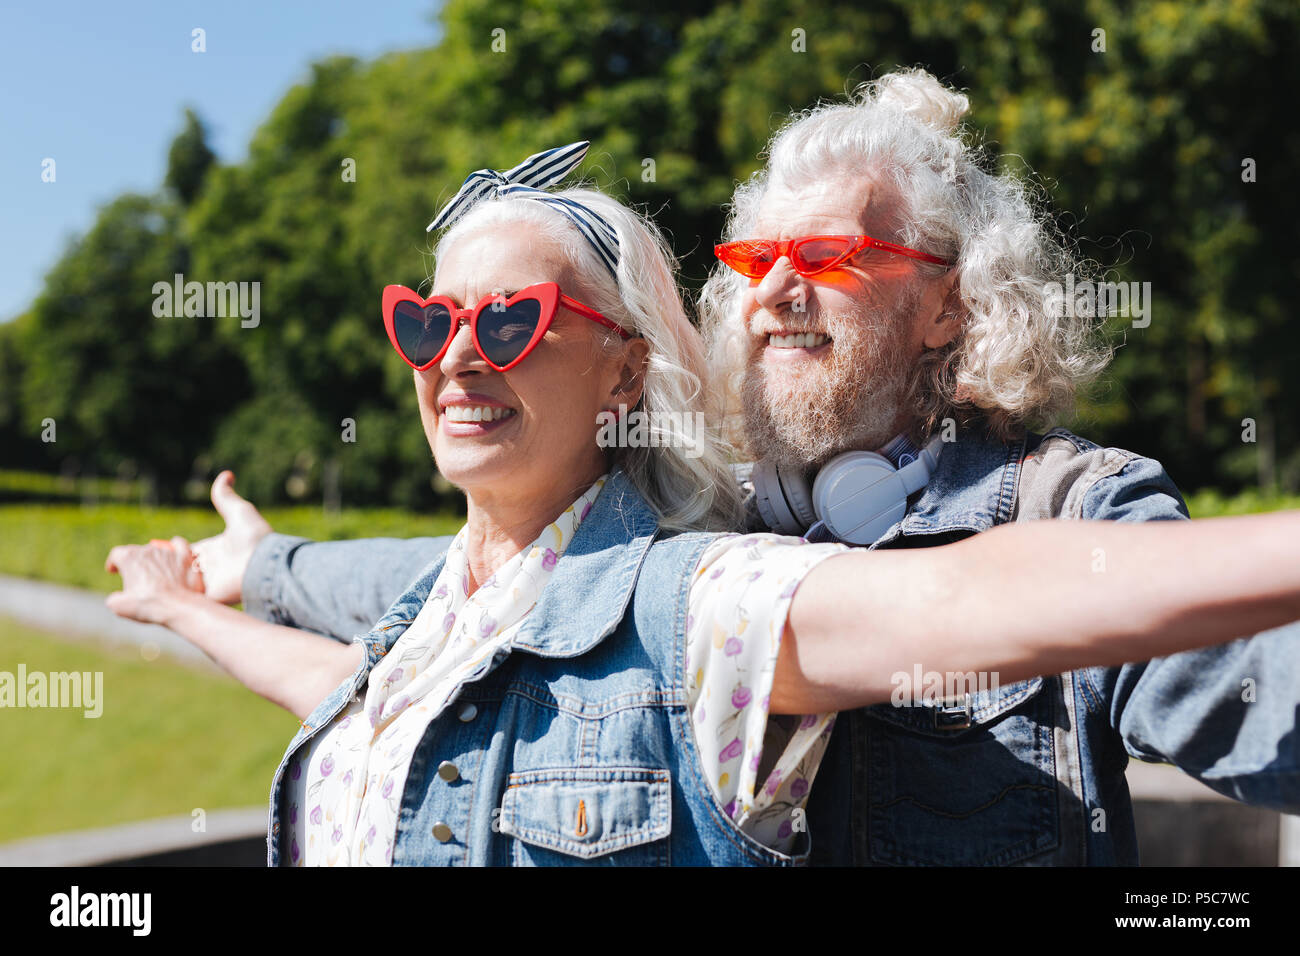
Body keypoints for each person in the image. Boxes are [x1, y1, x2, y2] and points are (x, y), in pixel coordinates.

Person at [107, 140, 1300, 868]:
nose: (776, 287)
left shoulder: (1058, 510)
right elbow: (433, 605)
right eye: (752, 260)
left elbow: (1024, 605)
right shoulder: (713, 527)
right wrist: (253, 570)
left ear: (948, 304)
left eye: (826, 255)